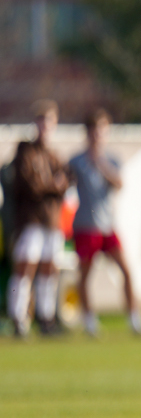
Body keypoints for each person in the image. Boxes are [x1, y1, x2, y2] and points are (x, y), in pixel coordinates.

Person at [68, 109, 141, 337]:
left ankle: (134, 318)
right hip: (85, 225)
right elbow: (66, 184)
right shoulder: (76, 161)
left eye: (102, 131)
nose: (98, 136)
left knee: (127, 271)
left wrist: (100, 163)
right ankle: (89, 320)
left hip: (107, 225)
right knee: (84, 276)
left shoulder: (110, 159)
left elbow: (119, 183)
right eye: (94, 131)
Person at [8, 101, 69, 338]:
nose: (45, 127)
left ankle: (47, 318)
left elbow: (65, 183)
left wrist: (54, 186)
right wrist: (52, 186)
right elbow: (30, 184)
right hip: (31, 220)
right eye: (42, 121)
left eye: (50, 122)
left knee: (49, 270)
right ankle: (18, 317)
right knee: (25, 268)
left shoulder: (54, 155)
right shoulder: (26, 150)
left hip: (51, 221)